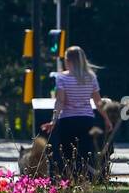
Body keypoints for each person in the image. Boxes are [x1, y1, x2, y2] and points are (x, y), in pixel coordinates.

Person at [43, 45, 111, 181]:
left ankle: (67, 183)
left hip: (67, 121)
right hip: (87, 120)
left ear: (67, 61)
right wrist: (107, 119)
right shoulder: (91, 77)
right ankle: (85, 182)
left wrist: (53, 121)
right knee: (85, 155)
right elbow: (98, 102)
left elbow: (60, 101)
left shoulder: (61, 78)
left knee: (67, 156)